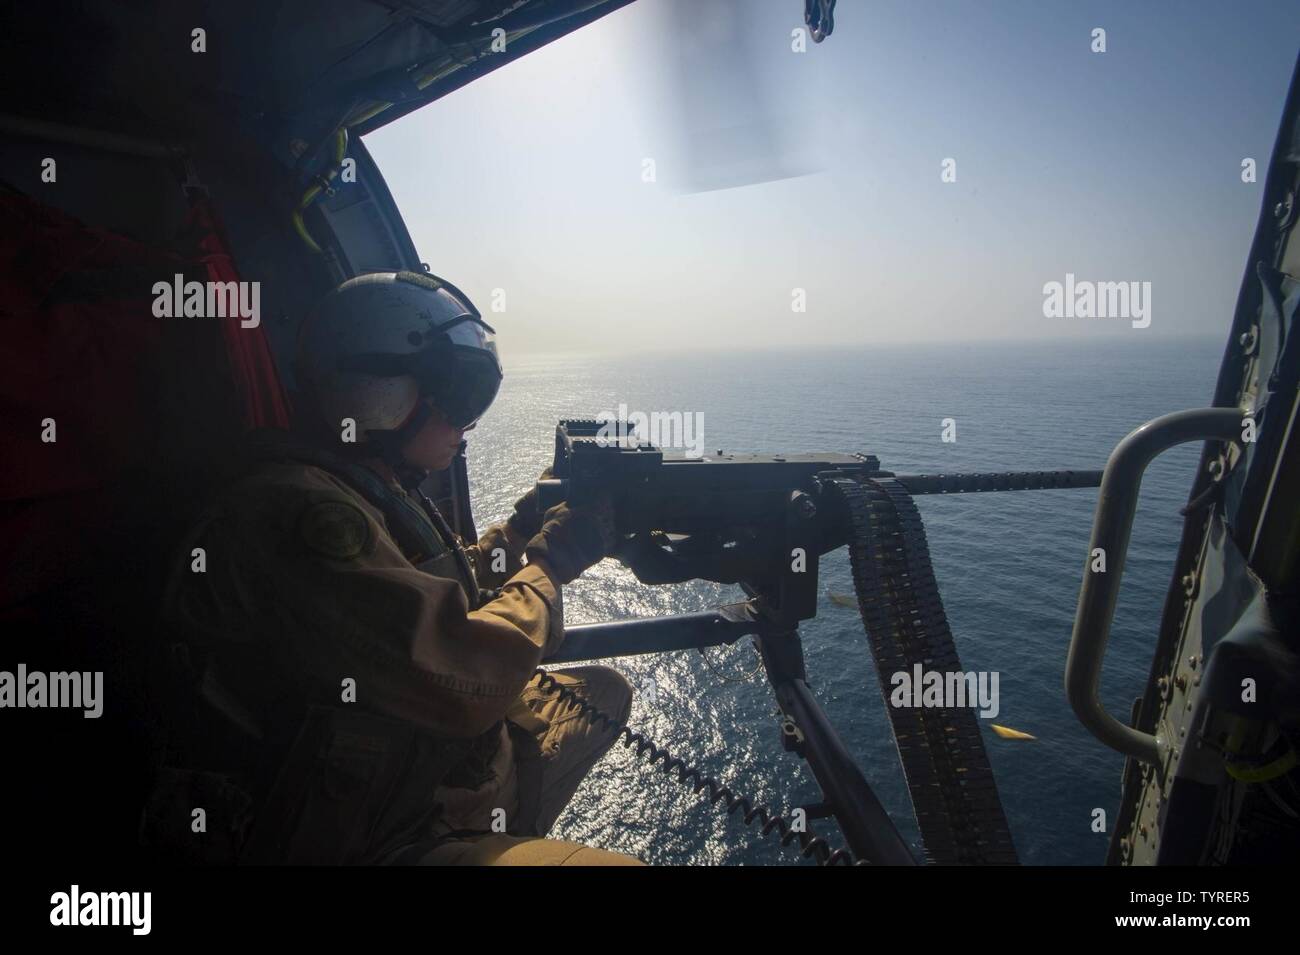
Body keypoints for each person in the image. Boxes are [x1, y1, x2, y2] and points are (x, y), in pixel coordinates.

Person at [142, 270, 639, 866]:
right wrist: (550, 564)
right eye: (457, 396)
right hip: (356, 832)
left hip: (410, 768)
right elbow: (463, 677)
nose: (466, 421)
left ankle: (494, 823)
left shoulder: (363, 484)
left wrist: (527, 524)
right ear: (379, 393)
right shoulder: (304, 513)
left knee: (603, 692)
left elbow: (445, 587)